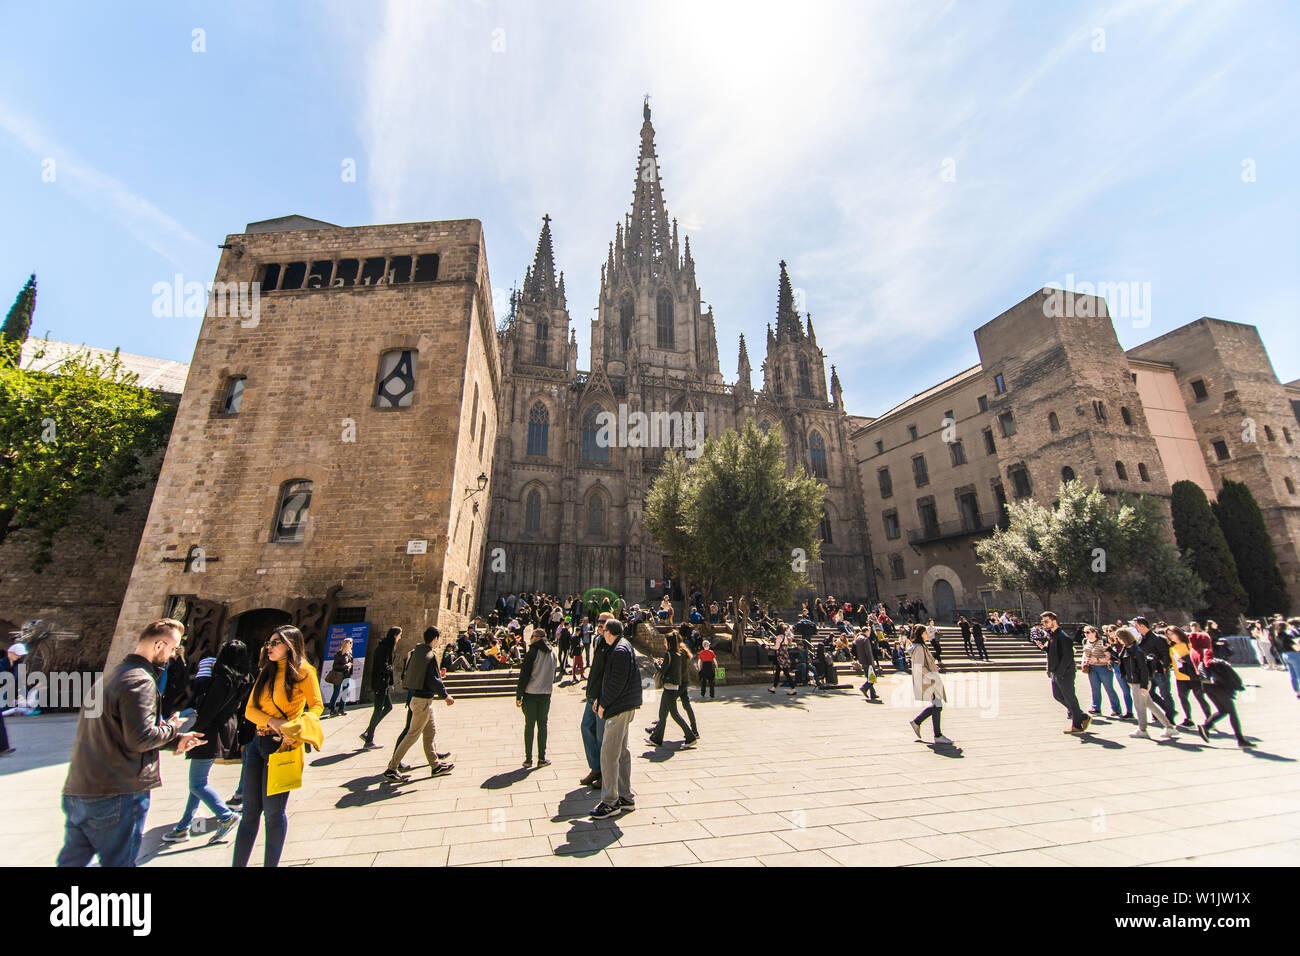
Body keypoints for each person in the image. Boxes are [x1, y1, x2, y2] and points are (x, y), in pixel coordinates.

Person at [58, 620, 205, 867]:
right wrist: (173, 727)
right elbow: (141, 738)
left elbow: (119, 732)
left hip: (79, 789)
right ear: (159, 645)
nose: (172, 656)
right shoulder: (140, 681)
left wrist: (174, 741)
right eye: (173, 649)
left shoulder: (108, 679)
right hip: (116, 792)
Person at [232, 625, 323, 868]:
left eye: (275, 643)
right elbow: (250, 710)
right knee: (249, 813)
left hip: (281, 747)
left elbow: (316, 706)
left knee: (273, 814)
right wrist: (273, 721)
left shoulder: (304, 671)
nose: (268, 647)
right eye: (268, 643)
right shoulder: (266, 671)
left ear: (290, 646)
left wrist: (297, 727)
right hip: (257, 744)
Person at [161, 640, 251, 844]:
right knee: (198, 782)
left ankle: (226, 817)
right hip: (227, 728)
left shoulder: (223, 679)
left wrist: (191, 734)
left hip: (209, 732)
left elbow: (208, 710)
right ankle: (183, 826)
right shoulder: (244, 678)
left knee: (197, 783)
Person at [385, 627, 455, 783]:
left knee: (430, 733)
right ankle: (392, 767)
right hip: (422, 701)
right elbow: (434, 680)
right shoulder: (429, 656)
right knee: (412, 735)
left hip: (420, 700)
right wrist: (445, 696)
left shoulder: (417, 652)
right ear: (435, 638)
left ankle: (435, 766)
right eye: (438, 639)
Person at [591, 619, 641, 820]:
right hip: (625, 706)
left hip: (618, 708)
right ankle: (626, 797)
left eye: (604, 631)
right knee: (621, 751)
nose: (602, 634)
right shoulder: (622, 646)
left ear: (610, 632)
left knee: (609, 754)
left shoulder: (619, 651)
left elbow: (616, 683)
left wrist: (603, 704)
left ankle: (611, 802)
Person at [1116, 627, 1177, 740]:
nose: (1118, 640)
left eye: (1119, 638)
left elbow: (1143, 670)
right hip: (1134, 682)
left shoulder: (1136, 651)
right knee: (1150, 705)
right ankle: (1169, 726)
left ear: (1124, 638)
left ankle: (1142, 729)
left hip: (1139, 683)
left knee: (1140, 707)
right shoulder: (1126, 650)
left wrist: (1144, 686)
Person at [579, 612, 614, 790]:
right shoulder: (598, 641)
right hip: (592, 695)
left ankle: (605, 774)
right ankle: (596, 768)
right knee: (586, 727)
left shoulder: (613, 644)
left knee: (602, 736)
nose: (600, 624)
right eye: (599, 621)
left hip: (602, 697)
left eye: (604, 622)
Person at [1039, 611, 1088, 734]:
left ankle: (1077, 725)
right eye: (1043, 622)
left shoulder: (1063, 636)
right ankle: (1081, 715)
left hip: (1064, 672)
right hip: (1057, 671)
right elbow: (1055, 652)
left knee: (1070, 697)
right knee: (1058, 695)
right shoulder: (1053, 635)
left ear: (1054, 621)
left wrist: (1060, 672)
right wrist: (1045, 648)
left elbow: (1068, 656)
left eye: (1046, 621)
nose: (1044, 624)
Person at [646, 632, 697, 749]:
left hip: (669, 686)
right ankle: (656, 738)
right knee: (662, 713)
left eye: (665, 640)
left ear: (668, 642)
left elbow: (663, 670)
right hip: (674, 686)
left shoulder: (669, 653)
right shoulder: (678, 654)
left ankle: (690, 737)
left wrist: (656, 664)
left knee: (674, 714)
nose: (664, 642)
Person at [516, 625, 556, 768]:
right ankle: (541, 758)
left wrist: (519, 695)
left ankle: (528, 759)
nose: (530, 639)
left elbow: (524, 675)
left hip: (531, 693)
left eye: (532, 636)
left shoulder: (532, 652)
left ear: (537, 638)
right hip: (546, 694)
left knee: (529, 726)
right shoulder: (552, 652)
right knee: (543, 726)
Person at [907, 624, 952, 744]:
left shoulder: (921, 646)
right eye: (925, 632)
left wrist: (933, 666)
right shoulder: (919, 648)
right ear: (920, 634)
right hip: (928, 680)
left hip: (929, 678)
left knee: (937, 705)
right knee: (937, 705)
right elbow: (920, 666)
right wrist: (931, 678)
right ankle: (934, 733)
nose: (927, 634)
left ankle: (919, 723)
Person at [1198, 657, 1254, 748]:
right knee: (1232, 713)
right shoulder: (1207, 653)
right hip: (1219, 687)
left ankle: (1205, 727)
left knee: (1223, 710)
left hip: (1208, 687)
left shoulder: (1196, 654)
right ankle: (1241, 740)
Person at [360, 626, 400, 748]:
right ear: (395, 635)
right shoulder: (383, 648)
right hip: (380, 683)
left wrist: (391, 682)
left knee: (388, 707)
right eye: (399, 635)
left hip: (383, 683)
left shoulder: (386, 647)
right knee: (378, 710)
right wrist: (391, 669)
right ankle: (368, 739)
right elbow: (383, 666)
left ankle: (369, 732)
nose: (400, 637)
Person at [1168, 625, 1213, 728]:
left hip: (1193, 676)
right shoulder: (1172, 648)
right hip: (1180, 676)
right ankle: (1188, 719)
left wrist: (1185, 658)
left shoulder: (1189, 644)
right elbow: (1174, 662)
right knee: (1183, 698)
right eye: (1169, 635)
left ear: (1178, 633)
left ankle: (1210, 719)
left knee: (1200, 697)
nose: (1171, 637)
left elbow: (1197, 655)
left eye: (1172, 634)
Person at [1134, 618, 1176, 724]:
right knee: (1150, 694)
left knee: (1165, 694)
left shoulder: (1157, 638)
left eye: (1136, 626)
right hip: (1148, 671)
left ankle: (1170, 717)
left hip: (1159, 671)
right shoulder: (1140, 638)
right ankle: (1167, 711)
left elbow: (1165, 654)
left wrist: (1164, 667)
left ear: (1143, 626)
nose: (1135, 628)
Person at [1080, 625, 1124, 717]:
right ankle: (1096, 708)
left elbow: (1108, 657)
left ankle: (1116, 709)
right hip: (1092, 668)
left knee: (1109, 689)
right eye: (1085, 632)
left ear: (1094, 633)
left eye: (1088, 632)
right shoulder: (1086, 642)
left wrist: (1096, 660)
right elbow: (1085, 653)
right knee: (1095, 689)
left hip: (1103, 668)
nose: (1086, 634)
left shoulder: (1102, 642)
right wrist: (1084, 661)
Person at [326, 637, 353, 717]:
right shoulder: (339, 654)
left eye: (351, 643)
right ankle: (332, 709)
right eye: (350, 643)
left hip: (346, 675)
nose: (351, 645)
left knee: (344, 692)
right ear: (346, 644)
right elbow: (335, 666)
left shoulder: (349, 654)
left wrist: (350, 670)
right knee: (336, 692)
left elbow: (351, 664)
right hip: (339, 675)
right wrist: (346, 666)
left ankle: (341, 708)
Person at [853, 626, 881, 702]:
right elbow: (868, 652)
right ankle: (864, 687)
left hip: (862, 660)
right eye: (869, 632)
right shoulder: (865, 639)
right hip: (868, 661)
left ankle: (873, 693)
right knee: (873, 676)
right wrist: (871, 662)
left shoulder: (858, 638)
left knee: (869, 676)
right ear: (866, 631)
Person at [769, 626, 798, 695]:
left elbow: (776, 647)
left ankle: (793, 688)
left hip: (781, 657)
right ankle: (774, 687)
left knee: (786, 673)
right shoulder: (785, 637)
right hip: (785, 655)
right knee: (778, 672)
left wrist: (768, 647)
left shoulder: (779, 637)